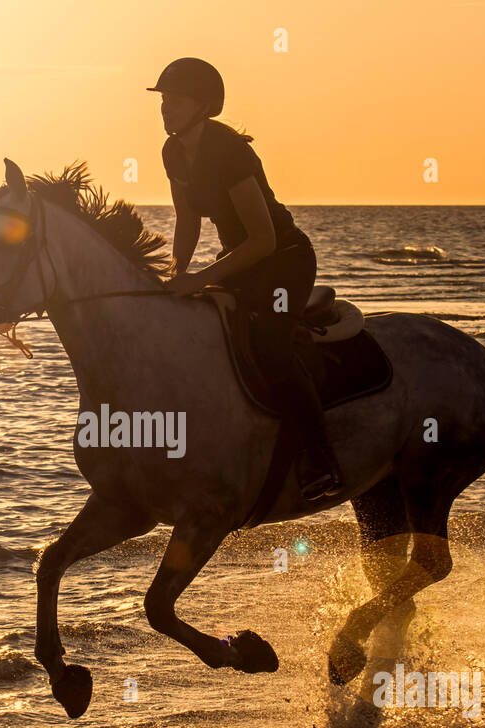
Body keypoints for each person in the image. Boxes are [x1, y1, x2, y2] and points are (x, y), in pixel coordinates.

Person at [150, 57, 344, 501]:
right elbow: (186, 221)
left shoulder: (228, 150)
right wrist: (176, 275)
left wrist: (200, 279)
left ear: (203, 106)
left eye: (174, 100)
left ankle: (320, 458)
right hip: (240, 261)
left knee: (272, 346)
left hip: (283, 261)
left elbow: (263, 240)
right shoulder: (172, 152)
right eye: (162, 101)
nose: (165, 109)